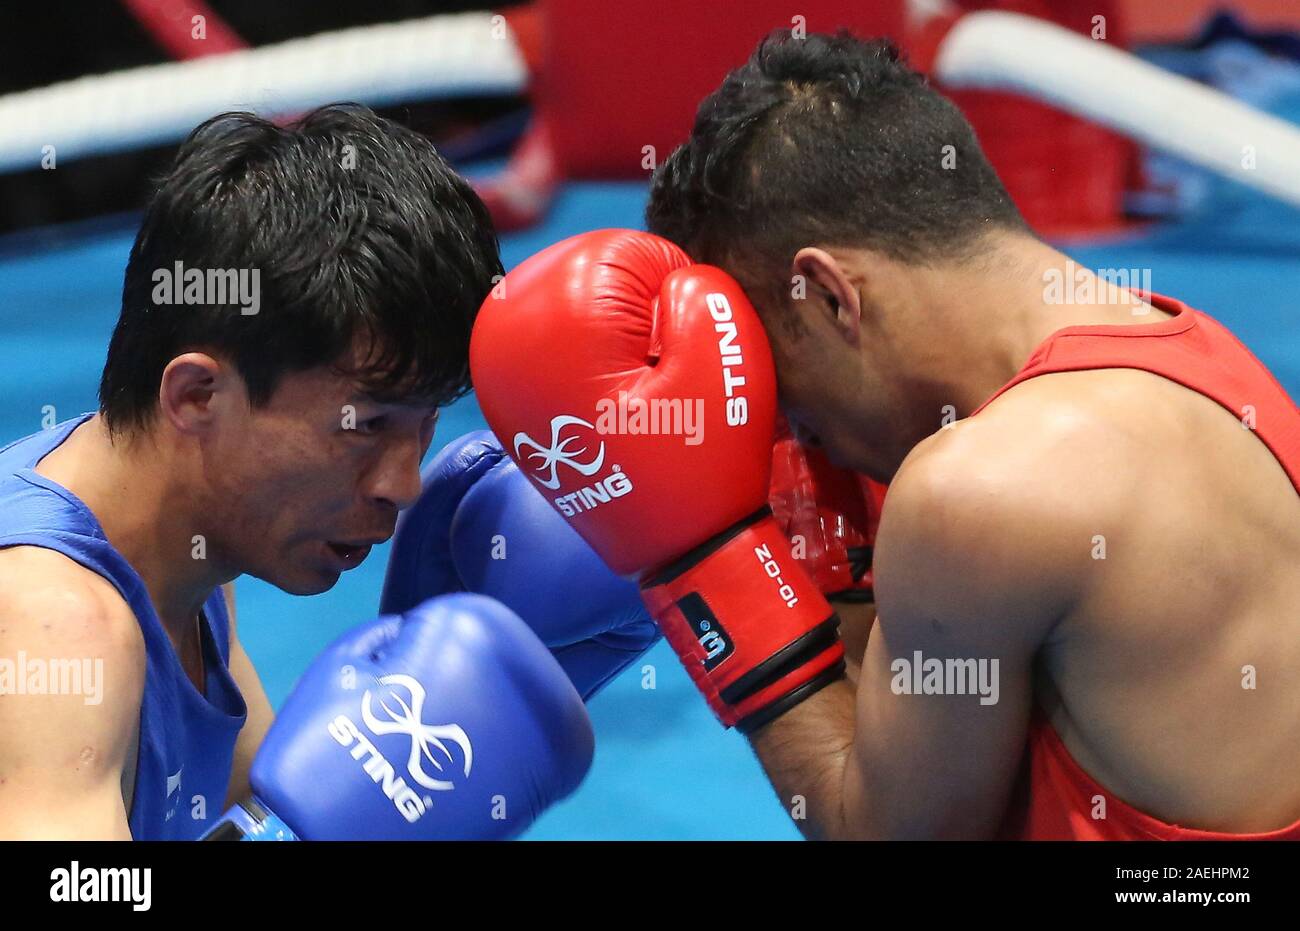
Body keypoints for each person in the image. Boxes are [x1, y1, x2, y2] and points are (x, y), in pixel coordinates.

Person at [469, 30, 1300, 839]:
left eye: (774, 382)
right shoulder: (1210, 359)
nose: (793, 433)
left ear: (828, 296)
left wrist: (702, 554)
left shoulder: (979, 491)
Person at [0, 104, 602, 840]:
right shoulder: (54, 625)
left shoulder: (183, 547)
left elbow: (260, 808)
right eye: (368, 425)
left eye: (425, 424)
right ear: (197, 396)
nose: (402, 485)